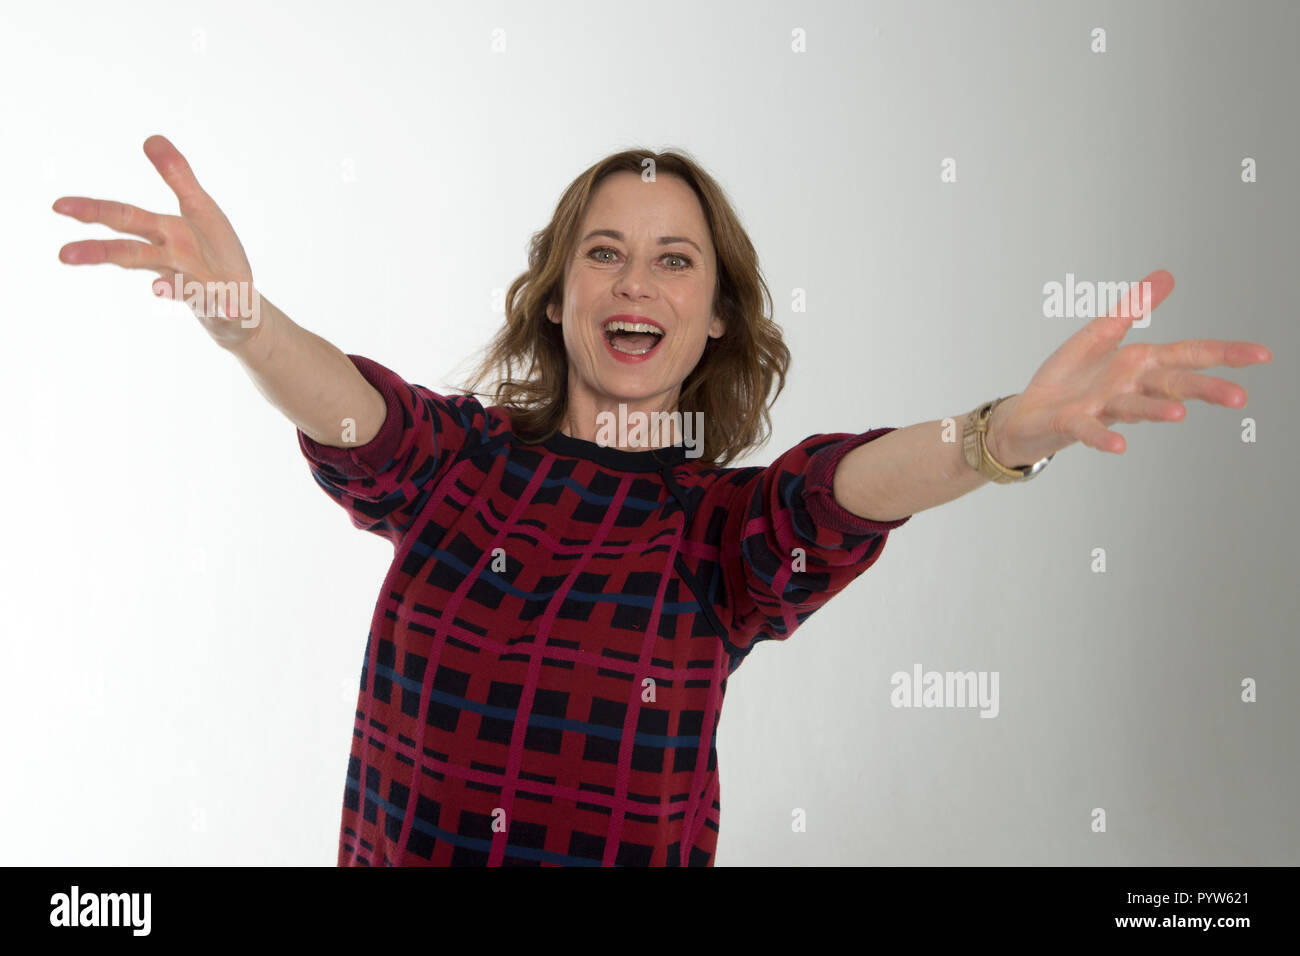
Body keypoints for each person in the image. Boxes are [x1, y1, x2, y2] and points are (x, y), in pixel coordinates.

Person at [53, 135, 1273, 866]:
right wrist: (242, 320)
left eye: (674, 257)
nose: (636, 279)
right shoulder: (455, 467)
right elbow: (351, 409)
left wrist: (998, 433)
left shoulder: (718, 534)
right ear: (556, 295)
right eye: (604, 250)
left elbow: (844, 488)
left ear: (716, 312)